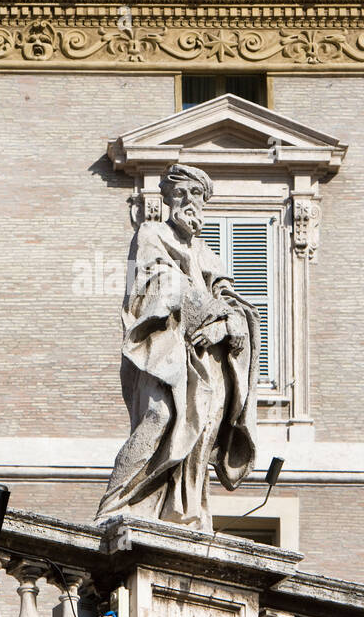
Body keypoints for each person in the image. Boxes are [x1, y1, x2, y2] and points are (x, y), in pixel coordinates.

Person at [95, 163, 258, 532]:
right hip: (164, 356)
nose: (189, 201)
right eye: (181, 193)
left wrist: (223, 327)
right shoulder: (151, 234)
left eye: (196, 195)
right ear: (167, 199)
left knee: (202, 433)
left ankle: (186, 513)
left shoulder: (208, 255)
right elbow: (156, 284)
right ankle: (114, 504)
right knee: (159, 419)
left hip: (207, 364)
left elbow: (239, 312)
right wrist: (210, 308)